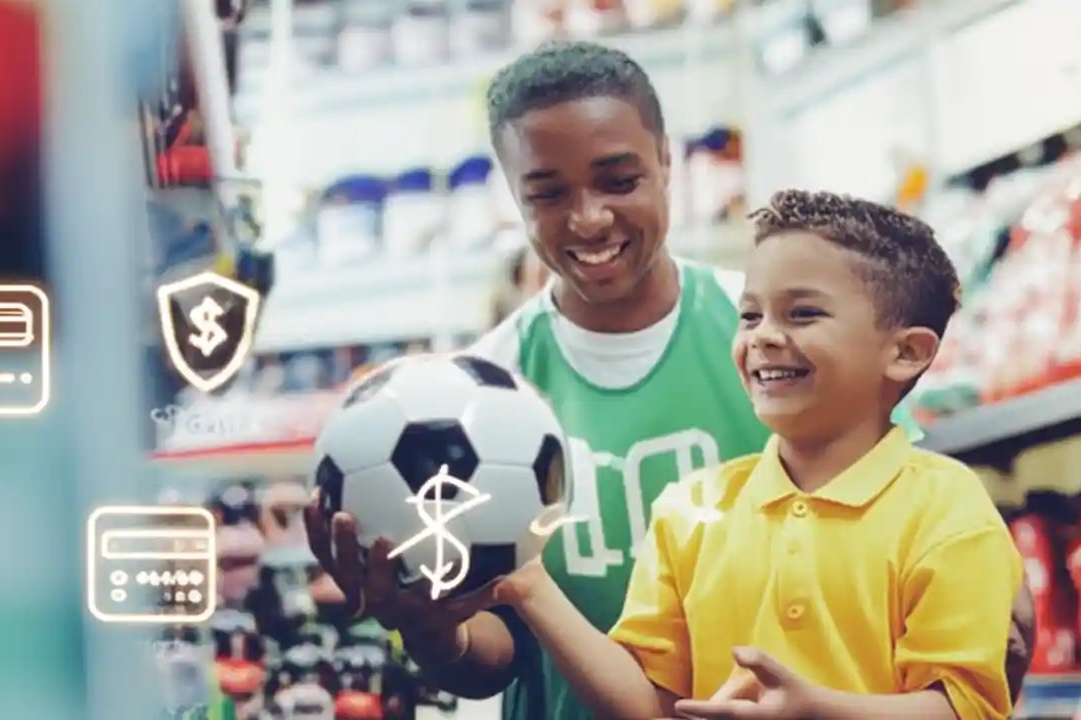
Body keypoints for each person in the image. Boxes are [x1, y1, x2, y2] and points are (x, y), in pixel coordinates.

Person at [304, 42, 1034, 720]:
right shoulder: (481, 389)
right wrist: (431, 631)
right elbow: (496, 649)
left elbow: (914, 505)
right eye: (548, 194)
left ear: (666, 160)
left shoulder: (780, 336)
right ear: (513, 197)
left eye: (619, 180)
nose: (589, 218)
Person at [489, 189, 1024, 720]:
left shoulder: (948, 511)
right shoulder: (691, 509)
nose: (764, 336)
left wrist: (818, 712)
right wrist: (530, 586)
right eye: (750, 316)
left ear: (906, 353)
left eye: (803, 313)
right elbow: (649, 704)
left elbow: (963, 708)